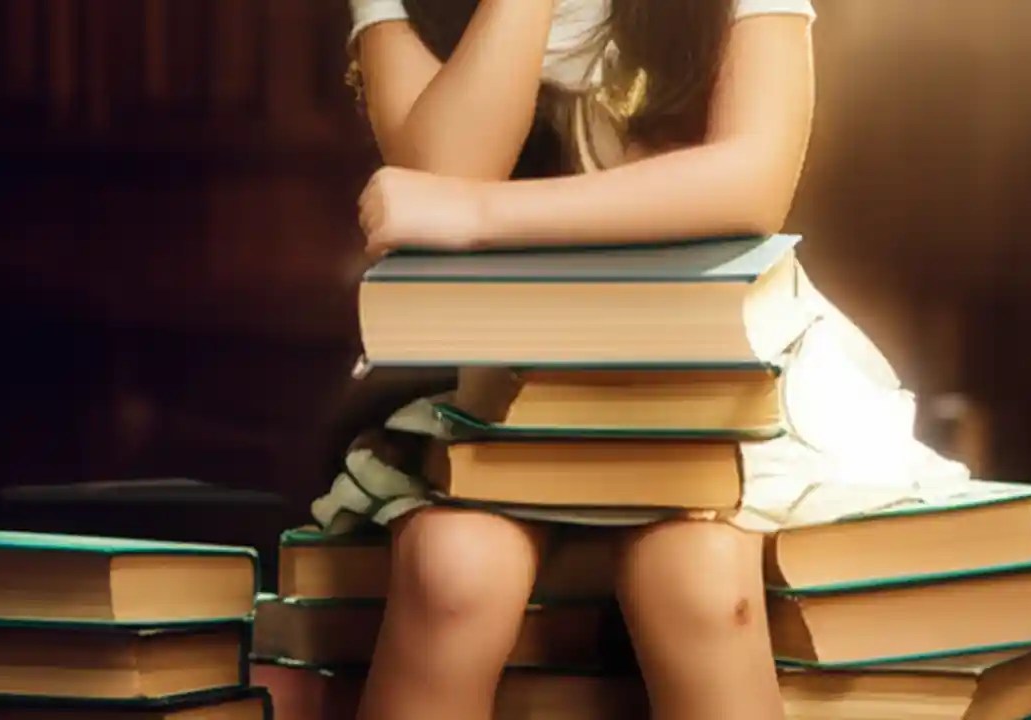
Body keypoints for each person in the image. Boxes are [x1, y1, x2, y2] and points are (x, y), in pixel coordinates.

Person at [322, 2, 979, 718]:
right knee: (453, 571)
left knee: (695, 576)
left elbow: (752, 180)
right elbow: (445, 167)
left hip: (721, 374)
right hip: (504, 384)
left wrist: (481, 216)